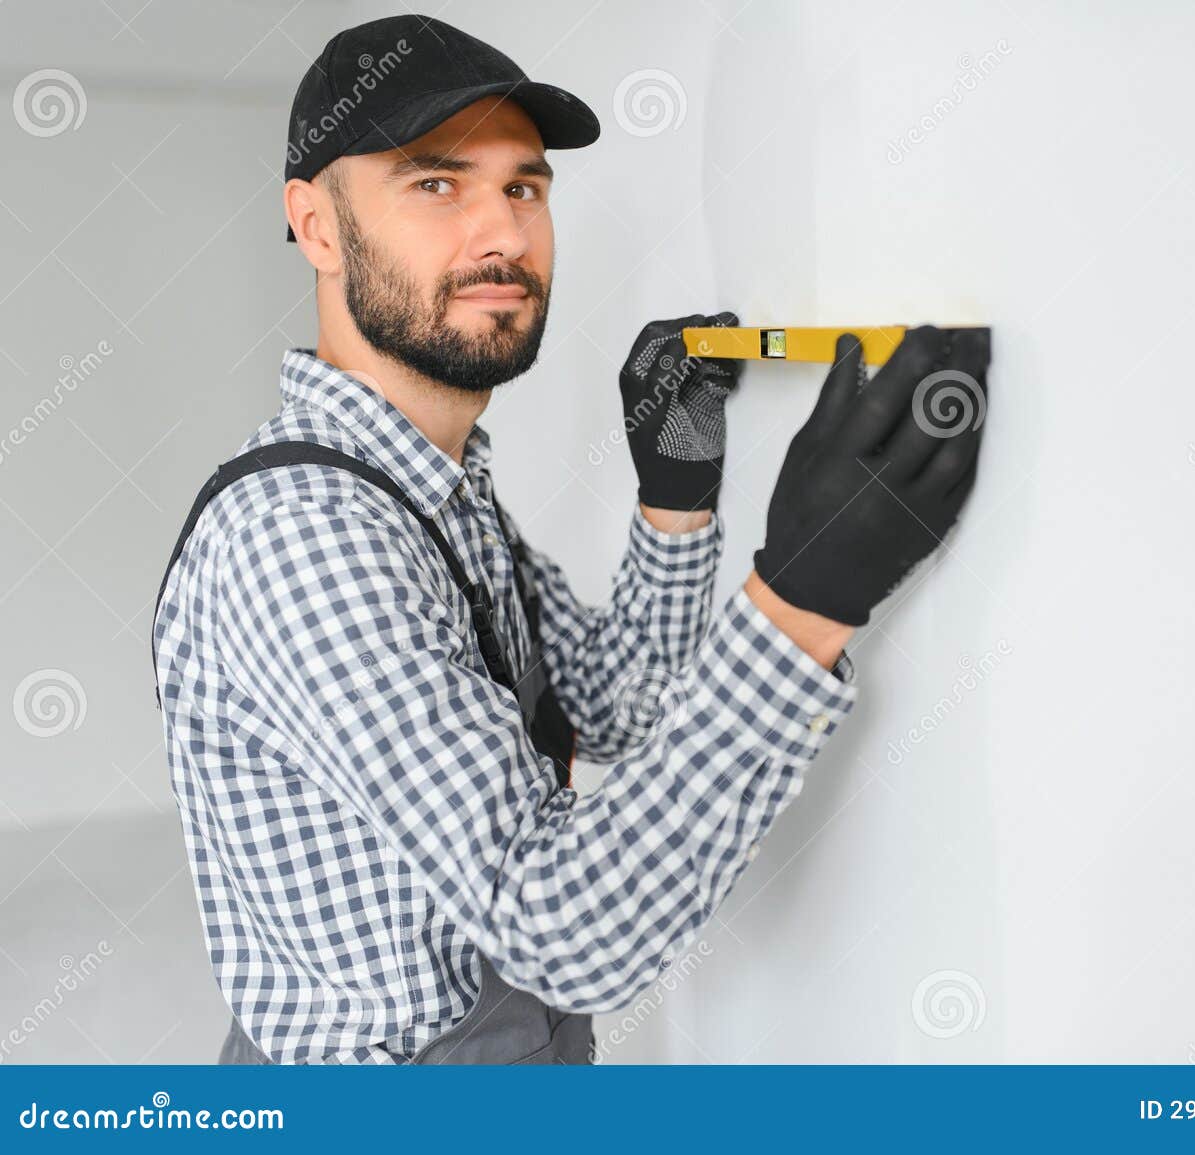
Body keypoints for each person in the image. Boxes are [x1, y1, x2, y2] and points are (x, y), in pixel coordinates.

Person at [151, 14, 989, 1064]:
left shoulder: (433, 495)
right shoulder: (306, 535)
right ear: (316, 227)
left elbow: (617, 712)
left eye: (525, 187)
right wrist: (800, 603)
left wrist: (673, 499)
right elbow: (563, 932)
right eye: (436, 184)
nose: (501, 233)